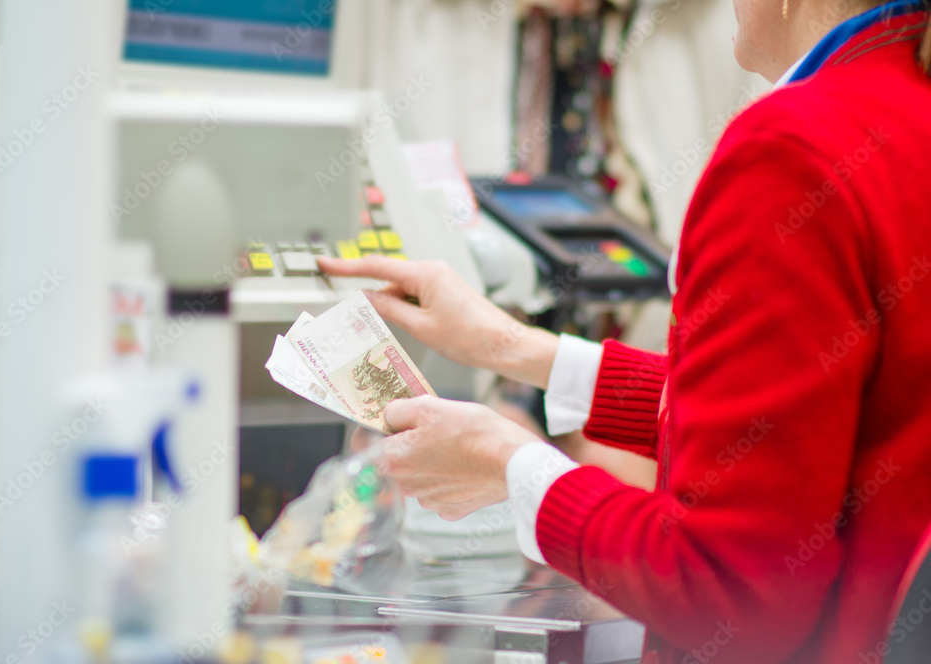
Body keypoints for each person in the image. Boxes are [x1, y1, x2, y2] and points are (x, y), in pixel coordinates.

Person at [318, 0, 931, 661]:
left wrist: (510, 466)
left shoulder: (788, 153)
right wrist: (515, 349)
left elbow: (729, 596)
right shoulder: (904, 113)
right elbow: (800, 421)